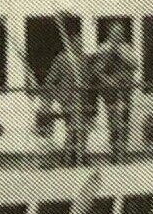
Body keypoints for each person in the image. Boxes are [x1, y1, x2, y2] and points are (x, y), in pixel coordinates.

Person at [42, 20, 92, 162]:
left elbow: (88, 78)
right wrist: (55, 98)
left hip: (82, 99)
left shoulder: (84, 59)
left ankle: (78, 155)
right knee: (73, 127)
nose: (79, 46)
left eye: (81, 43)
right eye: (76, 43)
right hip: (68, 99)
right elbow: (50, 80)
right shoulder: (62, 59)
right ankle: (70, 156)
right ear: (70, 44)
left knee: (83, 128)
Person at [92, 22, 137, 157]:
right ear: (110, 33)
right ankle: (114, 151)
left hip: (125, 89)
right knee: (113, 119)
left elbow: (135, 64)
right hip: (110, 91)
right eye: (116, 32)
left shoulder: (126, 47)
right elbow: (97, 70)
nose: (118, 35)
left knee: (125, 118)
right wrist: (109, 81)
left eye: (120, 33)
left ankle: (123, 150)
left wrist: (120, 52)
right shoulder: (103, 48)